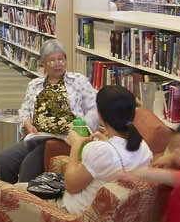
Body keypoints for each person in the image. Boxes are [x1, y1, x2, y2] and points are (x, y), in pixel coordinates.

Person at [0, 39, 99, 183]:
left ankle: (26, 203)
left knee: (28, 167)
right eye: (52, 60)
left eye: (61, 59)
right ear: (43, 63)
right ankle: (6, 200)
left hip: (65, 139)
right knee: (4, 159)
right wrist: (26, 122)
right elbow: (24, 110)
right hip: (37, 136)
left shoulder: (78, 81)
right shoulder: (34, 85)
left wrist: (80, 126)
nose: (58, 64)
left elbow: (93, 109)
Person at [55, 84, 154, 215]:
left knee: (20, 190)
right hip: (118, 218)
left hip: (77, 216)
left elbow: (71, 186)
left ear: (100, 116)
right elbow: (117, 157)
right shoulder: (143, 146)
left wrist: (75, 145)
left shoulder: (100, 151)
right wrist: (107, 142)